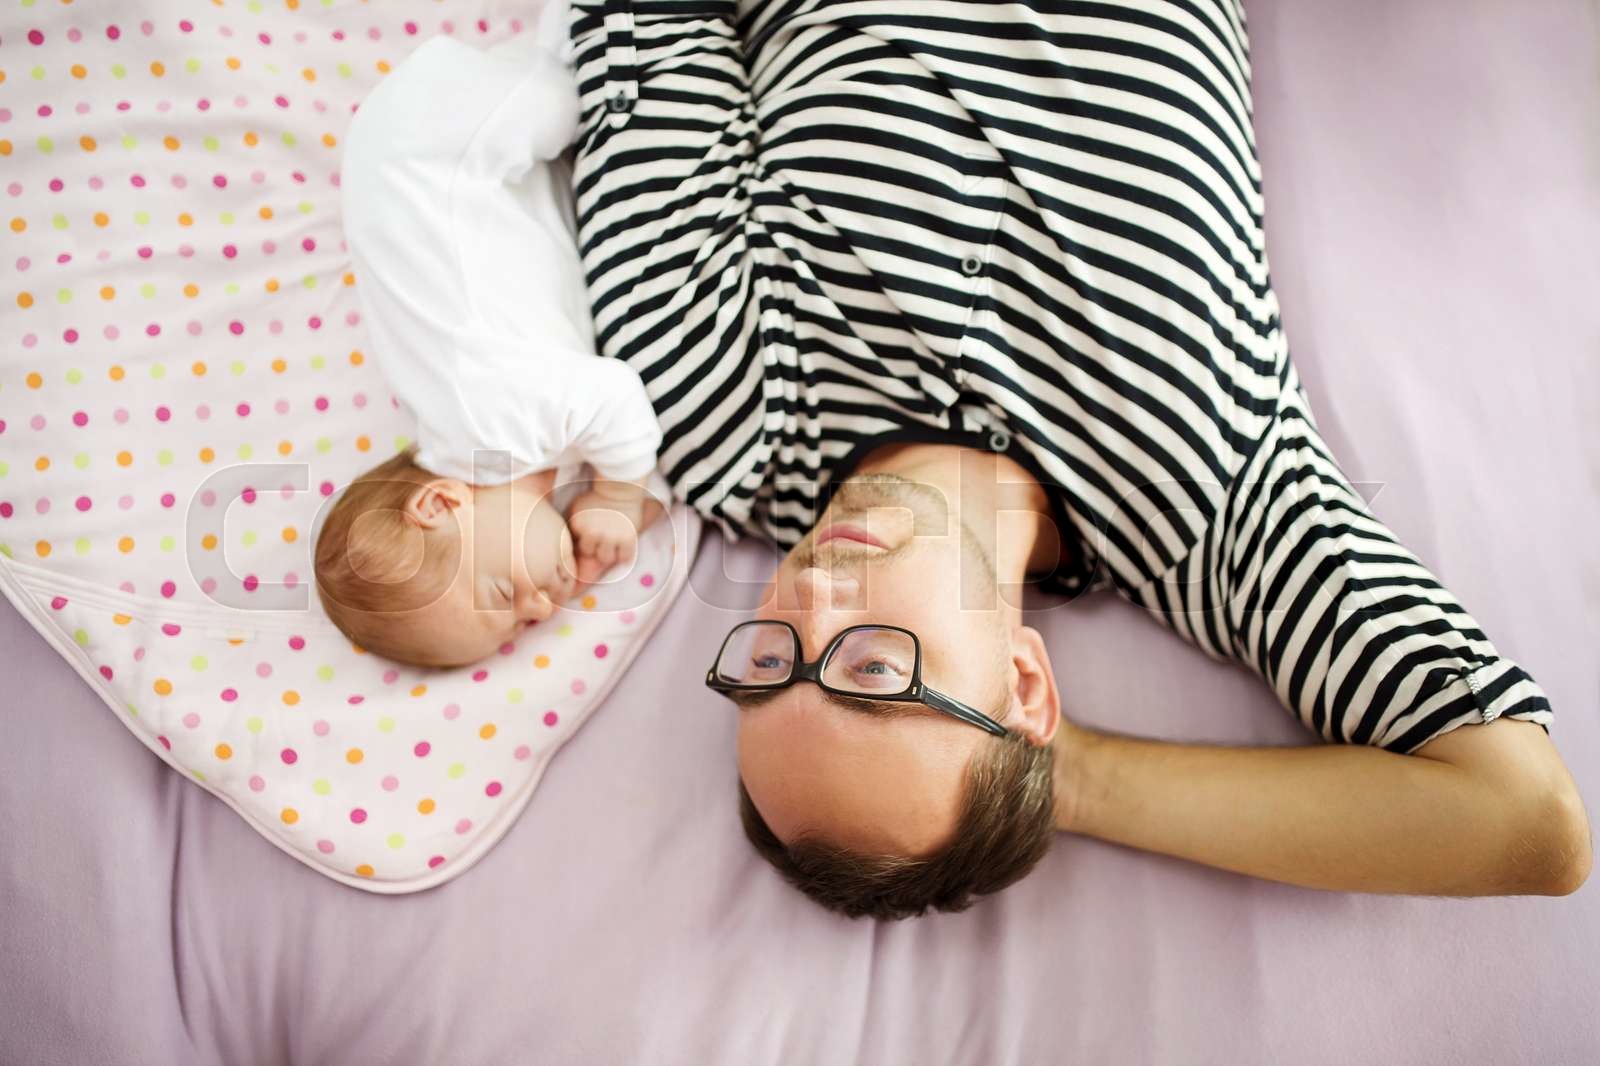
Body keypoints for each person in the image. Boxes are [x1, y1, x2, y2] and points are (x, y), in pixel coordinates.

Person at [567, 0, 1590, 917]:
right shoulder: (1207, 502)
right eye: (875, 668)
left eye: (768, 662)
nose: (808, 601)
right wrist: (1071, 773)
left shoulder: (711, 415)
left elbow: (653, 31)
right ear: (1023, 681)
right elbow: (1525, 818)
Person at [314, 34, 665, 667]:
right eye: (518, 630)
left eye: (502, 593)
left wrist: (619, 497)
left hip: (428, 150)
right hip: (495, 175)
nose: (537, 611)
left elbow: (614, 395)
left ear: (441, 502)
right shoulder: (519, 460)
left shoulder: (483, 424)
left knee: (597, 87)